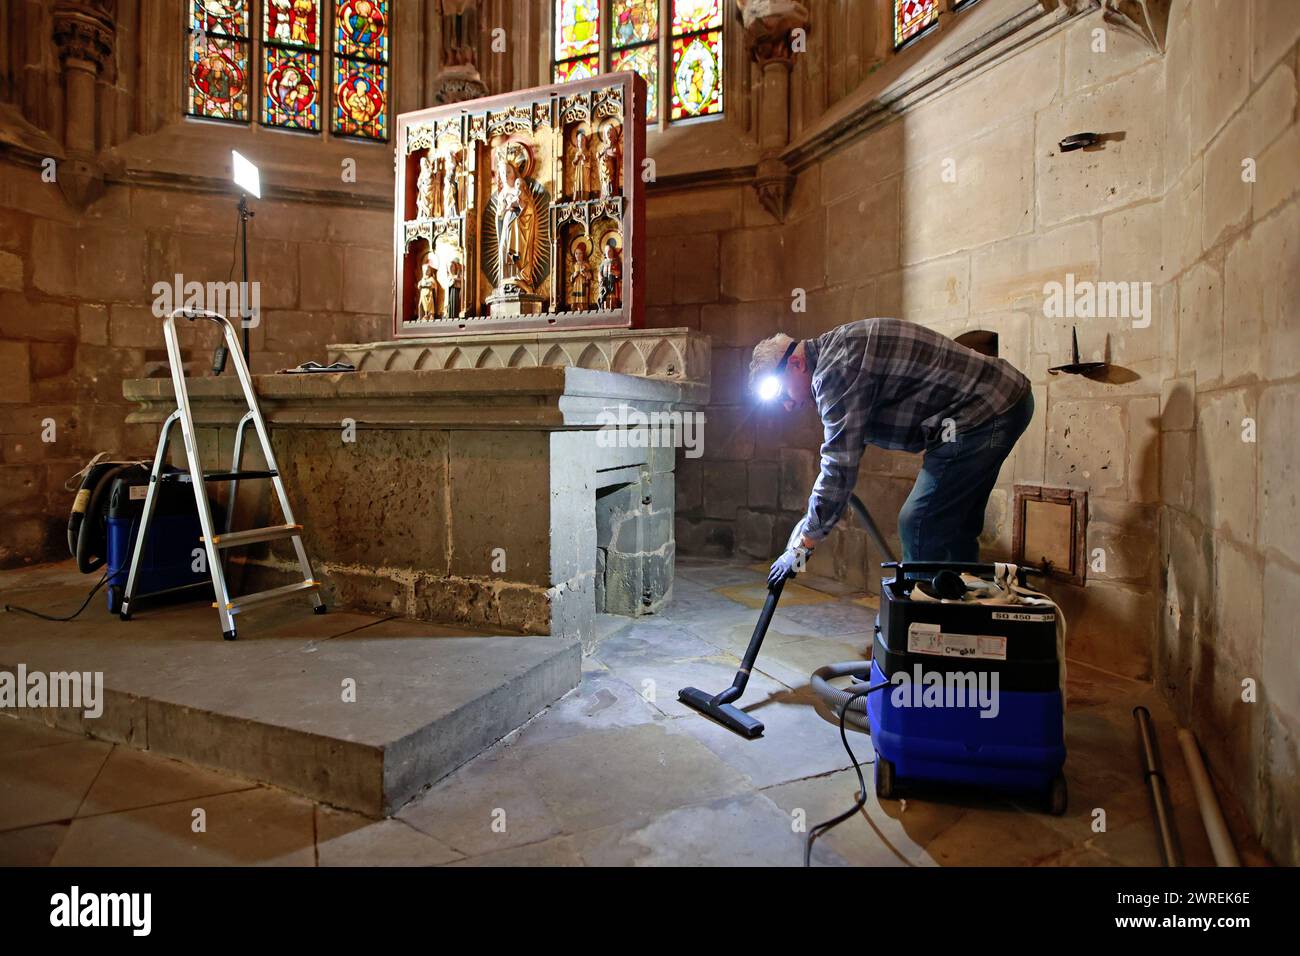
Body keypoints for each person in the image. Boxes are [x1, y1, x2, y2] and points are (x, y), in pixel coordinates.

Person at [751, 318, 1033, 587]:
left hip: (984, 412)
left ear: (796, 363)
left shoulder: (833, 371)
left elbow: (839, 466)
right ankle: (959, 624)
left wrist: (802, 547)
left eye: (783, 396)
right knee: (953, 529)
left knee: (919, 522)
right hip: (998, 403)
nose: (788, 406)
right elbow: (843, 455)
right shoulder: (837, 351)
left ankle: (922, 626)